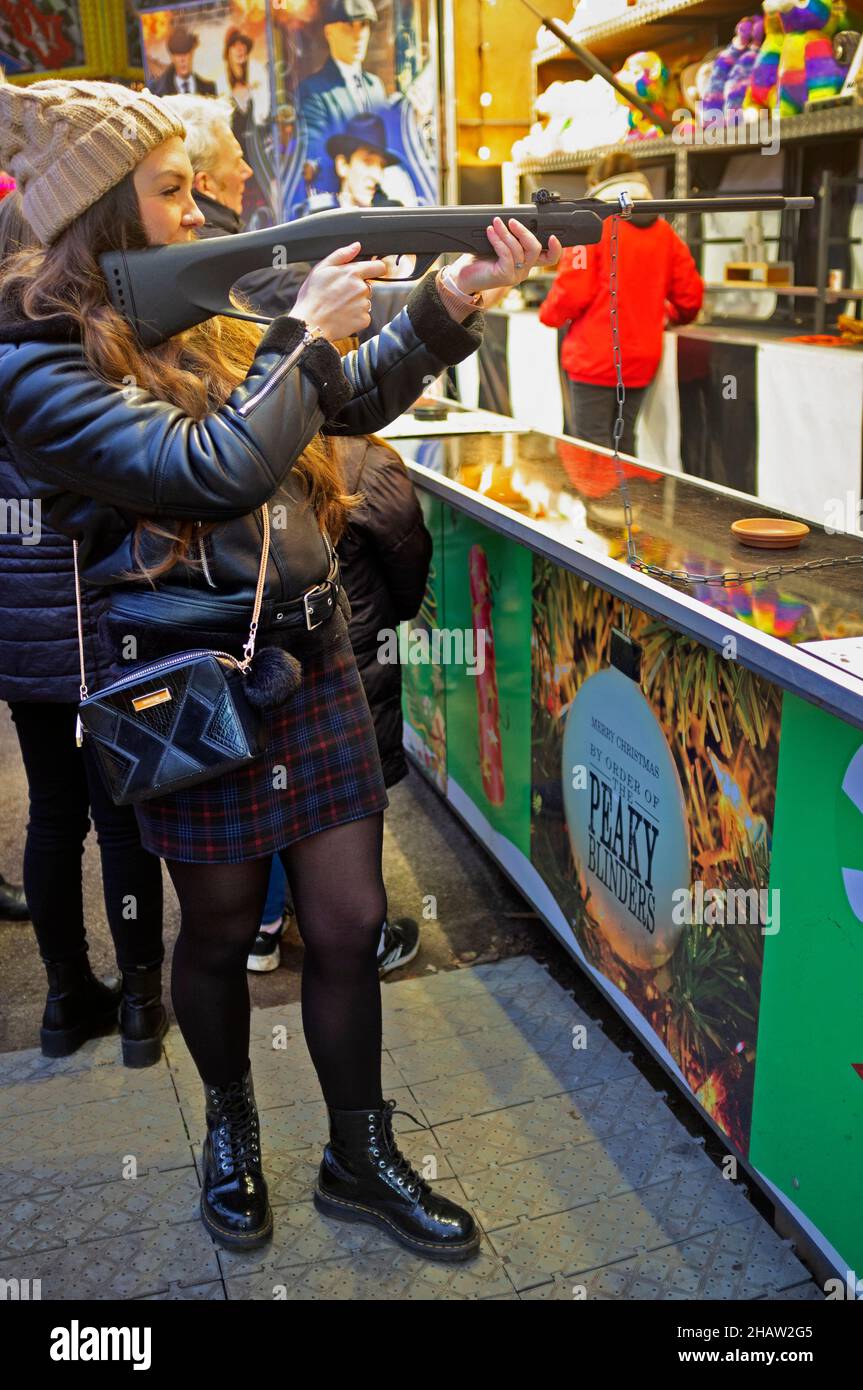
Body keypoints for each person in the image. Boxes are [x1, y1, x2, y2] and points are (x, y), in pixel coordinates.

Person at [0, 75, 560, 1257]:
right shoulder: (38, 370)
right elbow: (212, 466)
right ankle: (232, 1129)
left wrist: (447, 300)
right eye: (169, 191)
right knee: (212, 933)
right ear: (104, 215)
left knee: (349, 923)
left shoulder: (196, 314)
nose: (199, 208)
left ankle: (358, 1153)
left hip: (306, 656)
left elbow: (341, 398)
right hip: (192, 681)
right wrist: (302, 330)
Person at [0, 192, 166, 1064]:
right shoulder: (76, 341)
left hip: (20, 624)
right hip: (99, 614)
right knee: (123, 815)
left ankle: (68, 999)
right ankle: (141, 999)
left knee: (53, 816)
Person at [248, 428, 432, 976]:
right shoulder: (367, 460)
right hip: (346, 656)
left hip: (263, 659)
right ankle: (363, 939)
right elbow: (408, 559)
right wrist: (389, 615)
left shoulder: (241, 441)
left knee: (271, 786)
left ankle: (263, 930)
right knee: (347, 800)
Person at [539, 152, 703, 457]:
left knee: (591, 456)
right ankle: (630, 506)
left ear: (596, 183)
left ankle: (602, 506)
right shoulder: (665, 233)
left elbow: (571, 295)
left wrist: (547, 314)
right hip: (641, 361)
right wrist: (668, 315)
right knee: (625, 448)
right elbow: (690, 298)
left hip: (594, 360)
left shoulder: (593, 228)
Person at [161, 94, 310, 316]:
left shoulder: (207, 238)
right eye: (236, 161)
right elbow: (288, 284)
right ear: (204, 183)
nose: (247, 171)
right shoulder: (208, 250)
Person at [296, 0, 387, 182]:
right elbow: (316, 159)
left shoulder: (375, 86)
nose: (358, 35)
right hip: (340, 200)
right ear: (329, 32)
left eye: (364, 25)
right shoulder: (313, 91)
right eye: (348, 26)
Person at [149, 26, 218, 98]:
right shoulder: (157, 93)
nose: (182, 60)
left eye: (185, 53)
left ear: (192, 54)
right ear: (172, 57)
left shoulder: (209, 89)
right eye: (178, 54)